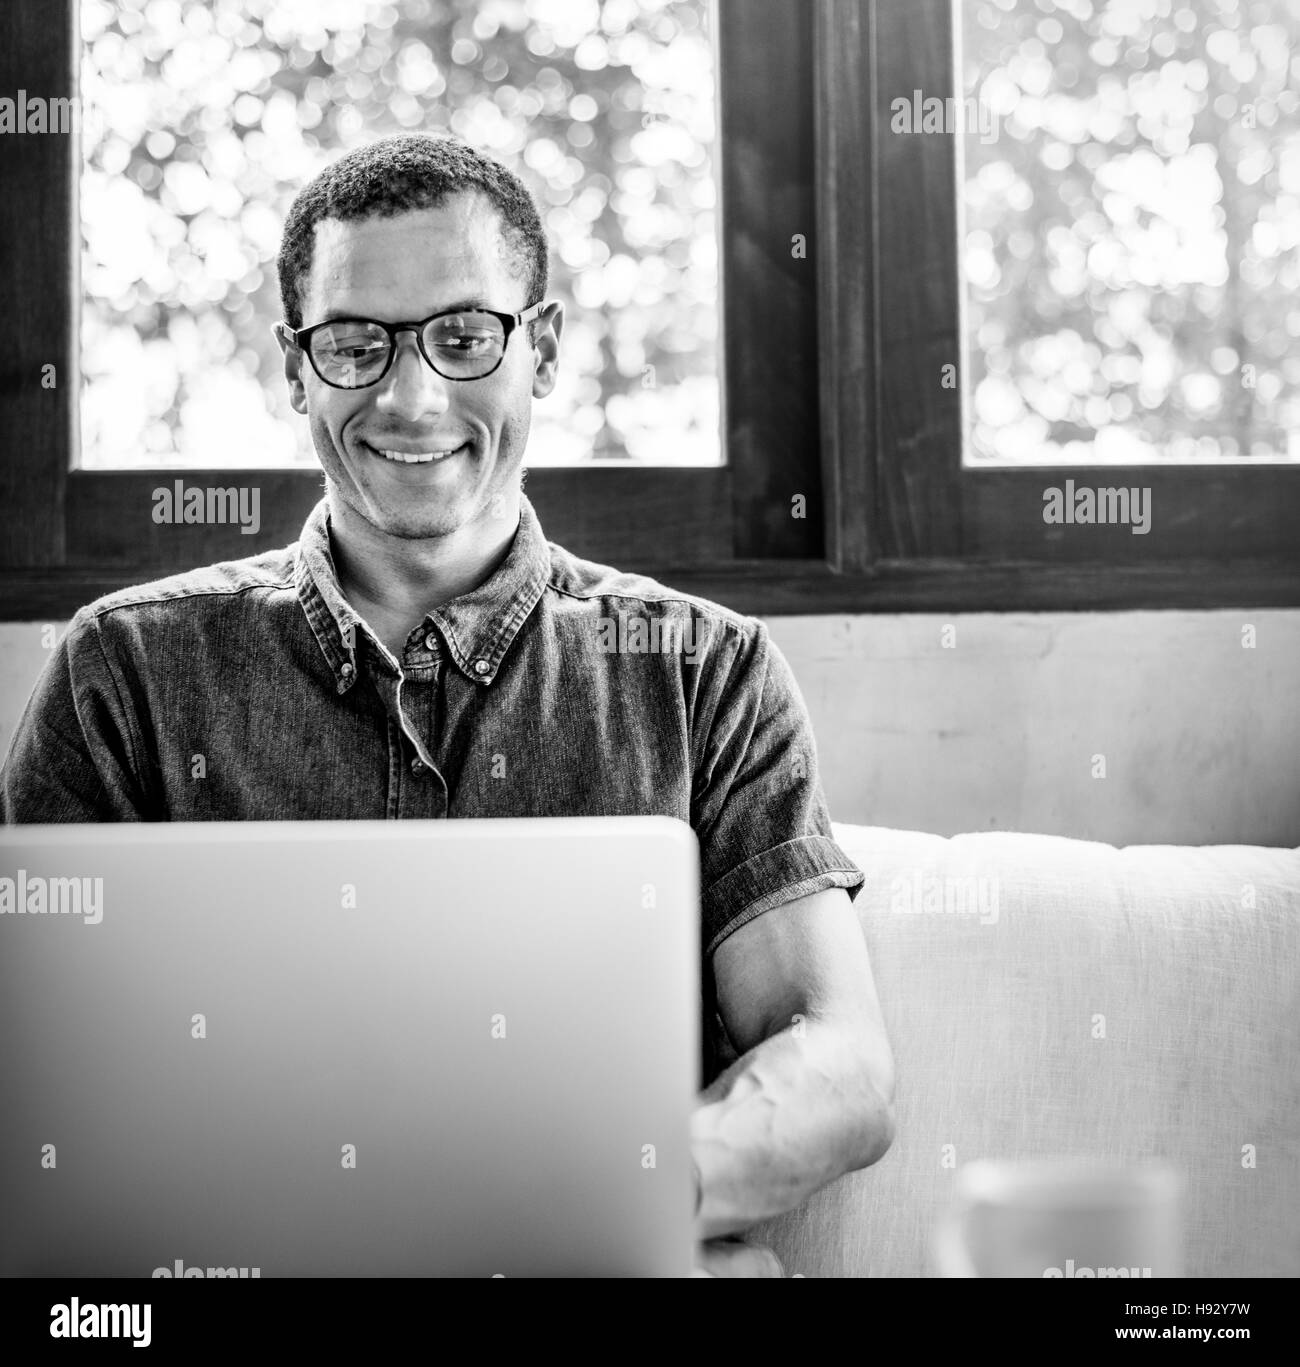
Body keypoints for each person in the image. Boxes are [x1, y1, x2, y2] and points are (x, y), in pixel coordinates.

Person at [0, 133, 894, 1277]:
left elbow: (841, 1064)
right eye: (354, 345)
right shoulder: (119, 673)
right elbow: (39, 1090)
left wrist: (604, 1196)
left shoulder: (699, 669)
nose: (412, 397)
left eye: (465, 337)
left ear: (545, 350)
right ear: (294, 368)